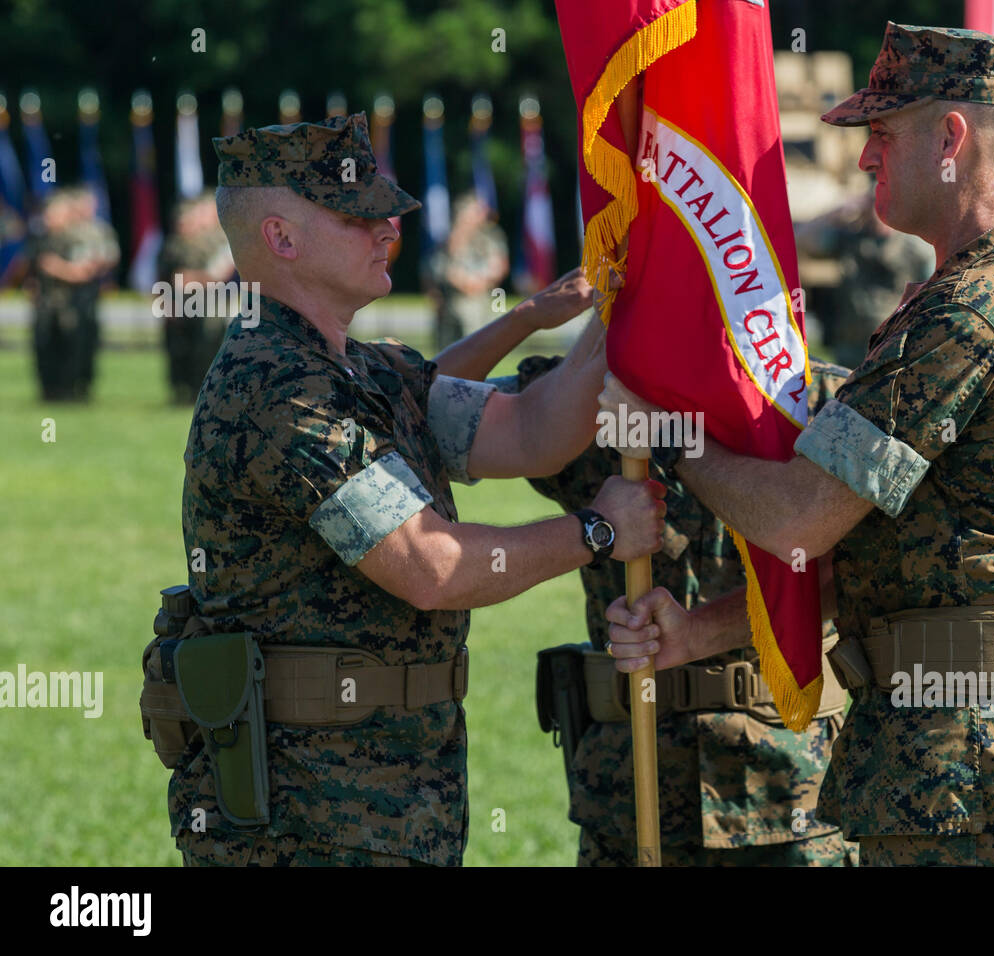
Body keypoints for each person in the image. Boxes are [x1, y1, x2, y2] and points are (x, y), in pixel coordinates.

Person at [601, 22, 994, 867]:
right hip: (978, 751)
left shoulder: (969, 314)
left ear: (950, 138)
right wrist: (699, 634)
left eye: (881, 133)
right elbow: (888, 553)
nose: (866, 158)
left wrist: (665, 433)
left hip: (972, 765)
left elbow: (800, 521)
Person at [169, 113, 666, 867]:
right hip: (305, 816)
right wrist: (594, 532)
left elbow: (533, 429)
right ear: (280, 239)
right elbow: (432, 568)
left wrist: (623, 308)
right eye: (356, 214)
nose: (388, 227)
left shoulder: (366, 371)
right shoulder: (276, 387)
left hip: (389, 800)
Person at [435, 309, 857, 866]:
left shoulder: (821, 402)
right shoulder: (589, 406)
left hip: (791, 787)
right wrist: (531, 314)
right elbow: (425, 408)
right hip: (629, 786)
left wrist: (704, 632)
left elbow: (843, 572)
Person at [795, 179, 933, 369]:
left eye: (886, 203)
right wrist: (837, 213)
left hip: (893, 344)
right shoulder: (850, 239)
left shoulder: (914, 248)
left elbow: (930, 292)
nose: (879, 213)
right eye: (874, 204)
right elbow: (803, 240)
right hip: (849, 343)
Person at [27, 186, 118, 400]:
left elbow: (89, 265)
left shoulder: (78, 237)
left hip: (74, 303)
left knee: (75, 347)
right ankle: (51, 391)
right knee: (46, 347)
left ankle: (73, 389)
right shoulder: (43, 239)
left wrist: (65, 268)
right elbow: (39, 266)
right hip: (49, 304)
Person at [158, 191, 237, 405]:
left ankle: (204, 389)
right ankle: (181, 390)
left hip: (213, 304)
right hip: (181, 303)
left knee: (207, 346)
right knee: (179, 347)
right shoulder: (175, 244)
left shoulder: (223, 241)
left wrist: (191, 278)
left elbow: (219, 275)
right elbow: (164, 276)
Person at [425, 193, 509, 348]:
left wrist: (479, 282)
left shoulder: (490, 237)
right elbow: (433, 269)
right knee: (446, 352)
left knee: (474, 348)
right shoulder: (447, 239)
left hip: (477, 302)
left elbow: (499, 265)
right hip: (449, 301)